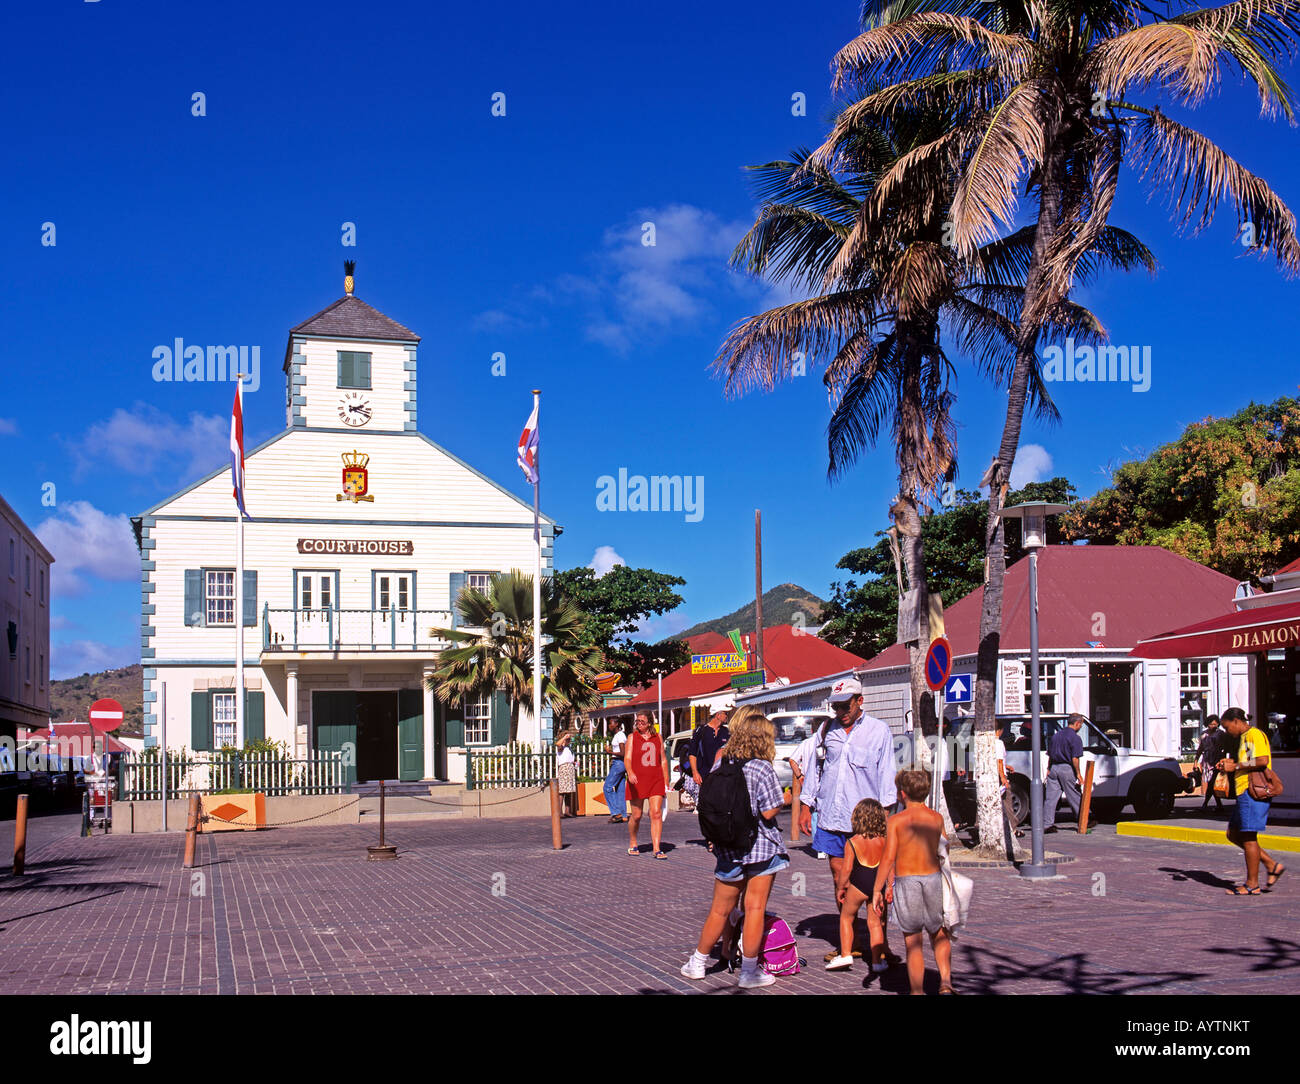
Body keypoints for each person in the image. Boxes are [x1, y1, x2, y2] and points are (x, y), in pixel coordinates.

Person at [680, 706, 789, 989]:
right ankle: (750, 971)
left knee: (719, 910)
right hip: (761, 849)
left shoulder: (721, 762)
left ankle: (697, 961)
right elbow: (768, 812)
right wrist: (788, 798)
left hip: (728, 848)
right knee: (754, 908)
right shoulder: (762, 768)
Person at [797, 677, 896, 961]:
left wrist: (884, 822)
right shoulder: (827, 730)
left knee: (873, 882)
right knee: (840, 879)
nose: (840, 711)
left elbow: (887, 775)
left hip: (865, 825)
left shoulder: (879, 731)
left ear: (859, 701)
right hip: (831, 817)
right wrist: (806, 805)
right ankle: (848, 941)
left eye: (845, 706)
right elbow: (815, 769)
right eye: (836, 706)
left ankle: (880, 944)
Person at [874, 769, 953, 995]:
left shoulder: (896, 821)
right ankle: (945, 981)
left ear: (902, 794)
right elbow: (944, 847)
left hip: (908, 881)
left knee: (913, 940)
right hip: (933, 878)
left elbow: (888, 858)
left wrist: (878, 888)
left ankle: (917, 991)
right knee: (939, 933)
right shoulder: (936, 818)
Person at [1217, 707, 1285, 896]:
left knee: (1248, 837)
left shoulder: (1254, 734)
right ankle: (1271, 865)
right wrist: (1229, 765)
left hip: (1251, 791)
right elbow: (1248, 760)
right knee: (1233, 833)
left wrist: (1236, 766)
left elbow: (1262, 760)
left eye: (1227, 726)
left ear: (1237, 721)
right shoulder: (1244, 738)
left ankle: (1252, 884)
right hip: (1243, 791)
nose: (1227, 731)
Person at [827, 798, 888, 973]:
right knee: (875, 923)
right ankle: (877, 962)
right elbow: (890, 865)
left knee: (847, 917)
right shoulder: (884, 841)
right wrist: (889, 886)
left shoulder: (853, 842)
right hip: (877, 884)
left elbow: (846, 870)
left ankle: (846, 954)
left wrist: (841, 888)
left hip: (859, 883)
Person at [625, 711, 671, 859]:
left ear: (650, 723)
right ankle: (633, 841)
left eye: (642, 722)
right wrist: (630, 771)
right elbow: (627, 758)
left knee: (656, 813)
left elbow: (663, 759)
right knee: (637, 815)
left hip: (655, 779)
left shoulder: (658, 737)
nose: (639, 724)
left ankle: (657, 848)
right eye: (637, 721)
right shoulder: (632, 738)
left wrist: (666, 779)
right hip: (637, 781)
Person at [1043, 714, 1086, 833]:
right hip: (1067, 768)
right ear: (1077, 723)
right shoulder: (1075, 738)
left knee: (1050, 798)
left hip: (1054, 767)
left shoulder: (1056, 736)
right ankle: (1082, 820)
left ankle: (1047, 824)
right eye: (1081, 724)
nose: (1081, 726)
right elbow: (1075, 759)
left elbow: (1050, 754)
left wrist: (1049, 768)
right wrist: (1078, 774)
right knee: (1074, 795)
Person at [686, 710, 731, 806]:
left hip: (723, 776)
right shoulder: (701, 731)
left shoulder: (726, 732)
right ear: (718, 715)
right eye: (725, 713)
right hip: (705, 776)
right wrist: (695, 772)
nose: (727, 716)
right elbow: (692, 753)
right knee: (708, 806)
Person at [1196, 715, 1225, 812]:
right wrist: (1196, 760)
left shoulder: (1220, 734)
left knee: (1212, 782)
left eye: (1215, 724)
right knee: (1210, 782)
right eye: (1211, 724)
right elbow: (1200, 748)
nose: (1213, 726)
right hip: (1207, 760)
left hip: (1216, 759)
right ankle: (1218, 805)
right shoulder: (1203, 734)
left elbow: (1224, 747)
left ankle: (1205, 804)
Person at [603, 719, 628, 823]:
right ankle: (623, 815)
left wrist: (610, 752)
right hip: (621, 764)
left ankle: (616, 812)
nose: (609, 725)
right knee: (620, 790)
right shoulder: (618, 735)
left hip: (618, 763)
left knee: (607, 787)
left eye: (611, 723)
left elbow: (623, 752)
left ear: (617, 724)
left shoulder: (620, 736)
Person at [555, 729, 578, 818]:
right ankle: (559, 811)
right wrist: (564, 737)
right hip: (564, 769)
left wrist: (574, 763)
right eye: (568, 739)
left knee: (569, 791)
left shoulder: (569, 748)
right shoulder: (561, 747)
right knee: (562, 791)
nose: (569, 740)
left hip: (570, 769)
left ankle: (567, 811)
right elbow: (558, 744)